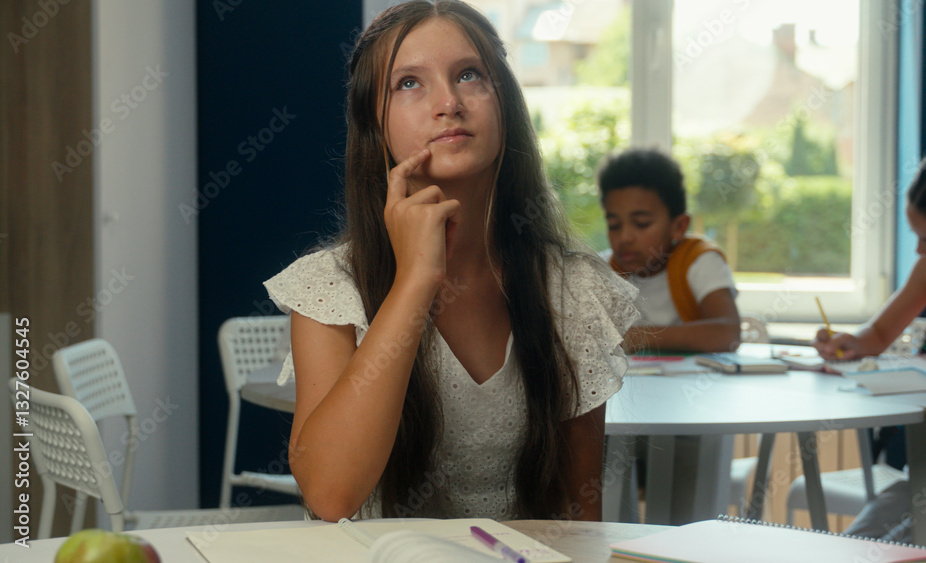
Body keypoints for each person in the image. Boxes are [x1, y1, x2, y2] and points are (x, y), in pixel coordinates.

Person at [262, 0, 638, 523]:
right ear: (375, 125)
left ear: (504, 103)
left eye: (469, 75)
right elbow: (330, 495)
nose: (448, 103)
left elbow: (578, 518)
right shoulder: (330, 285)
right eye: (408, 83)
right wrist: (415, 282)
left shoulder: (574, 289)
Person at [814, 146, 926, 556]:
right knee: (855, 545)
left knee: (898, 548)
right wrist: (851, 343)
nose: (919, 252)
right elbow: (880, 332)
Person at [597, 148, 741, 353]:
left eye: (642, 223)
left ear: (679, 226)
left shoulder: (698, 261)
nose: (624, 237)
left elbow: (727, 334)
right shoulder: (603, 271)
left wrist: (637, 337)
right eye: (614, 225)